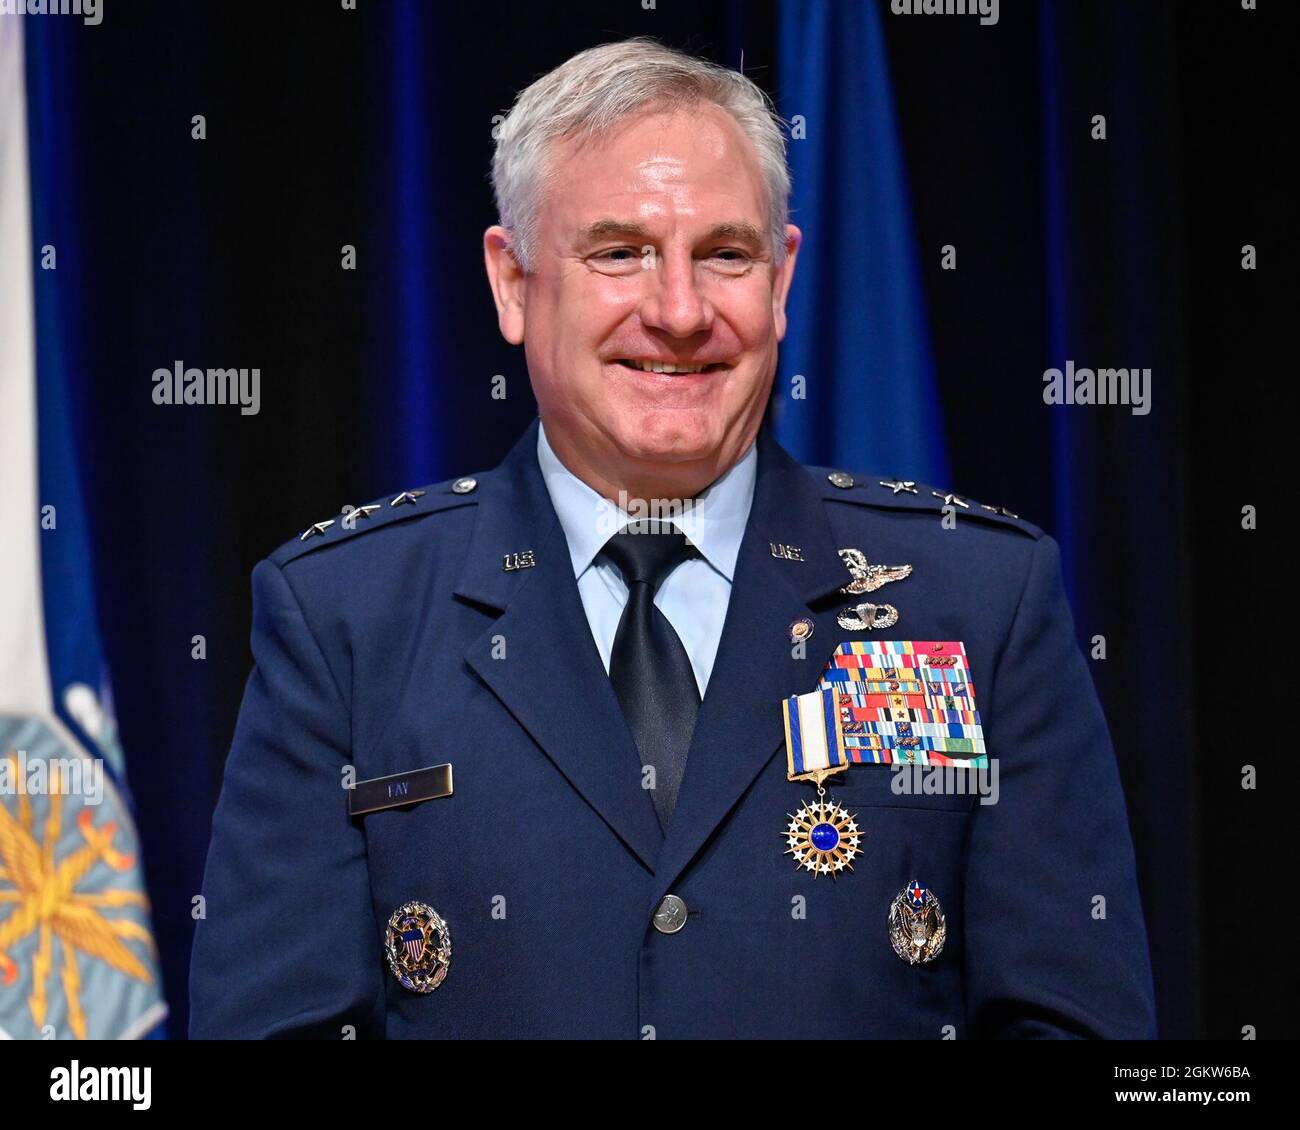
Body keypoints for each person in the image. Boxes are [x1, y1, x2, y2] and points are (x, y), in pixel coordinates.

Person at [189, 37, 1155, 1039]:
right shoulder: (346, 619)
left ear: (781, 279)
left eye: (724, 255)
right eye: (620, 252)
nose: (680, 311)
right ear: (512, 282)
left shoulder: (978, 600)